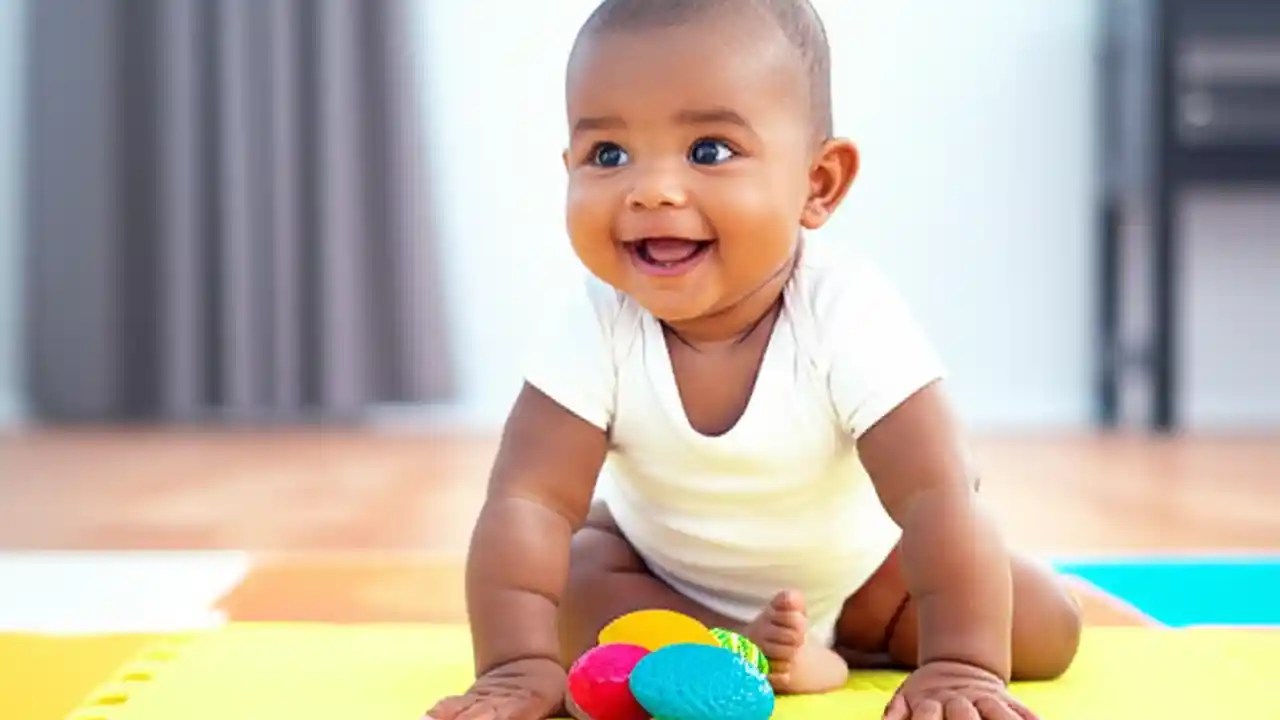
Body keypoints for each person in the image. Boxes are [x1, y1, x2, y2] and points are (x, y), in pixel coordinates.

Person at [427, 1, 1082, 718]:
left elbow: (940, 494)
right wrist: (516, 667)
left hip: (862, 581)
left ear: (818, 184)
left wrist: (962, 664)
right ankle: (741, 648)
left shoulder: (846, 313)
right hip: (661, 579)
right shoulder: (595, 321)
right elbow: (528, 501)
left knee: (1044, 629)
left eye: (708, 150)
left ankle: (826, 647)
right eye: (608, 155)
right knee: (577, 579)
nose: (651, 189)